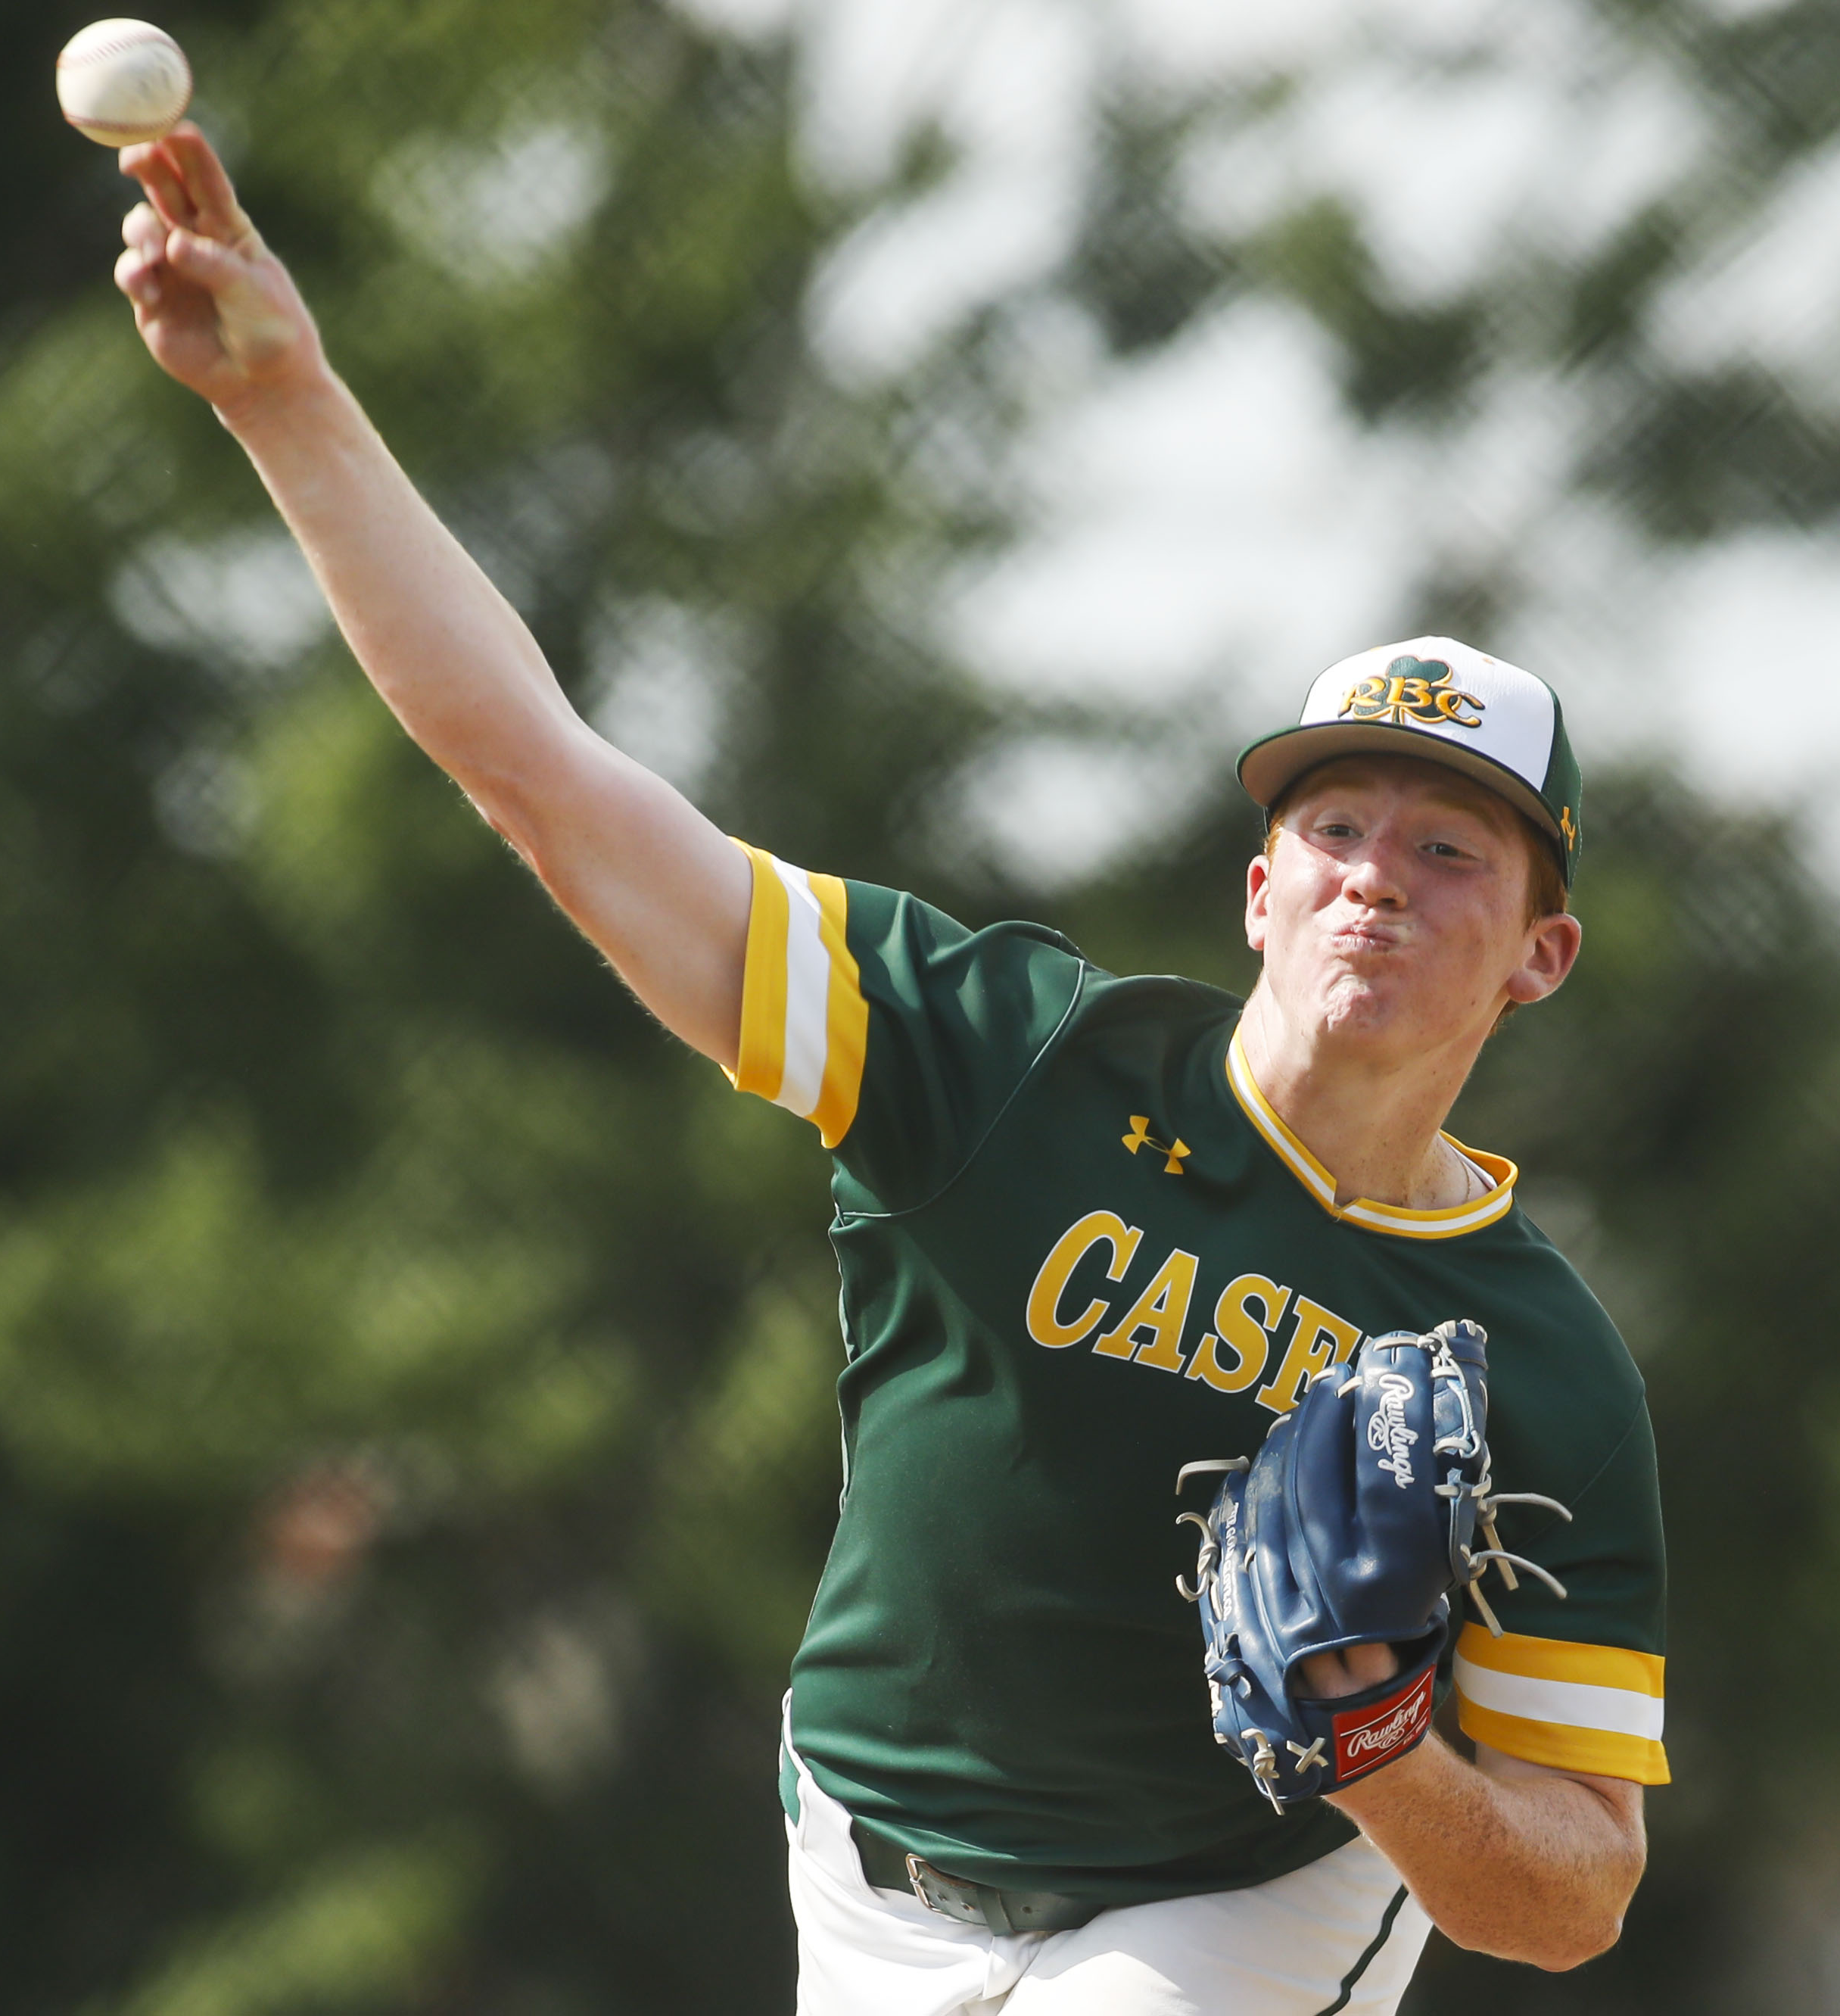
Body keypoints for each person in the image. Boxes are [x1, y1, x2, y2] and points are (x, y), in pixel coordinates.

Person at [111, 124, 1667, 2014]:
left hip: (1235, 1901)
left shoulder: (1533, 1361)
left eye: (1450, 854)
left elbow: (1575, 1890)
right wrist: (291, 404)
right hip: (867, 1857)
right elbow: (549, 786)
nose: (1378, 884)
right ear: (1256, 889)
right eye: (1338, 828)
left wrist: (1379, 1750)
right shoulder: (1000, 1054)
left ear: (1537, 955)